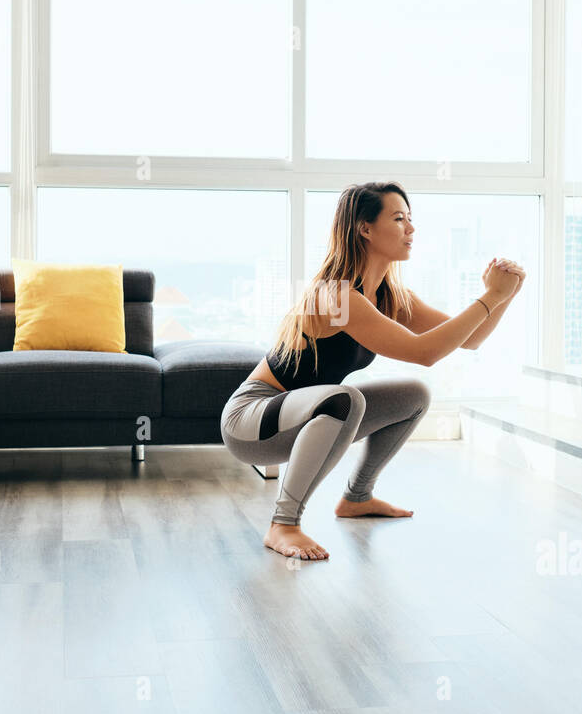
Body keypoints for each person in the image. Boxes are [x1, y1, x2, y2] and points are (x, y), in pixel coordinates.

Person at [219, 181, 526, 561]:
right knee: (345, 399)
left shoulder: (390, 296)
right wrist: (491, 297)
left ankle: (357, 498)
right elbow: (425, 352)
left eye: (411, 219)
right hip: (251, 422)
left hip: (302, 417)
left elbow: (471, 339)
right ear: (364, 228)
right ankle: (283, 524)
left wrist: (504, 297)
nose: (411, 229)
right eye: (399, 219)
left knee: (413, 395)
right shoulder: (336, 296)